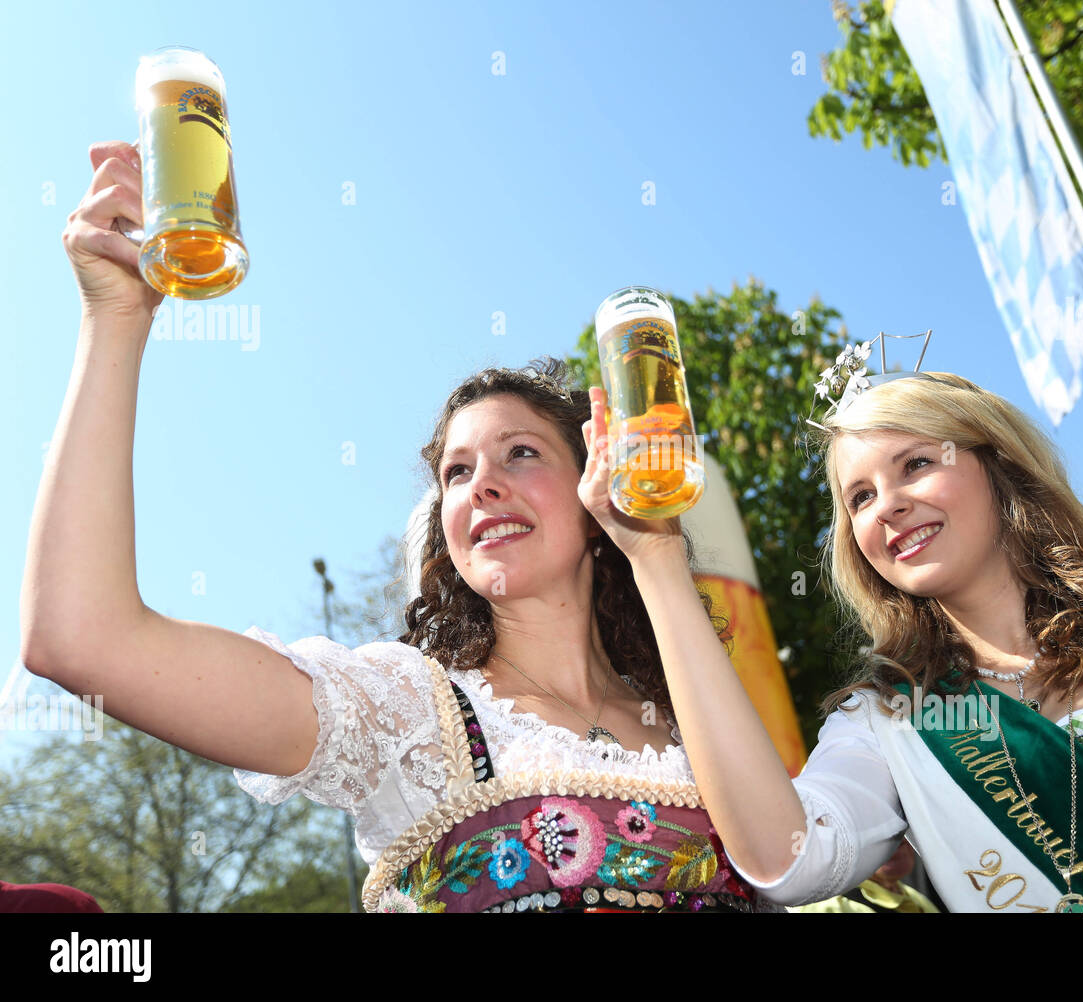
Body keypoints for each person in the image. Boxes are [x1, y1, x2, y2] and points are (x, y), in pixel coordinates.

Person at [21, 139, 764, 914]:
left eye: (520, 453)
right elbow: (82, 639)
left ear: (592, 489)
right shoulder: (405, 714)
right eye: (457, 473)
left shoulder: (692, 722)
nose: (484, 486)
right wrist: (115, 319)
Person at [582, 348, 1083, 912]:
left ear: (999, 469)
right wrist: (657, 562)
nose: (887, 505)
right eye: (859, 496)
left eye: (917, 465)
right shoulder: (888, 720)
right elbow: (787, 861)